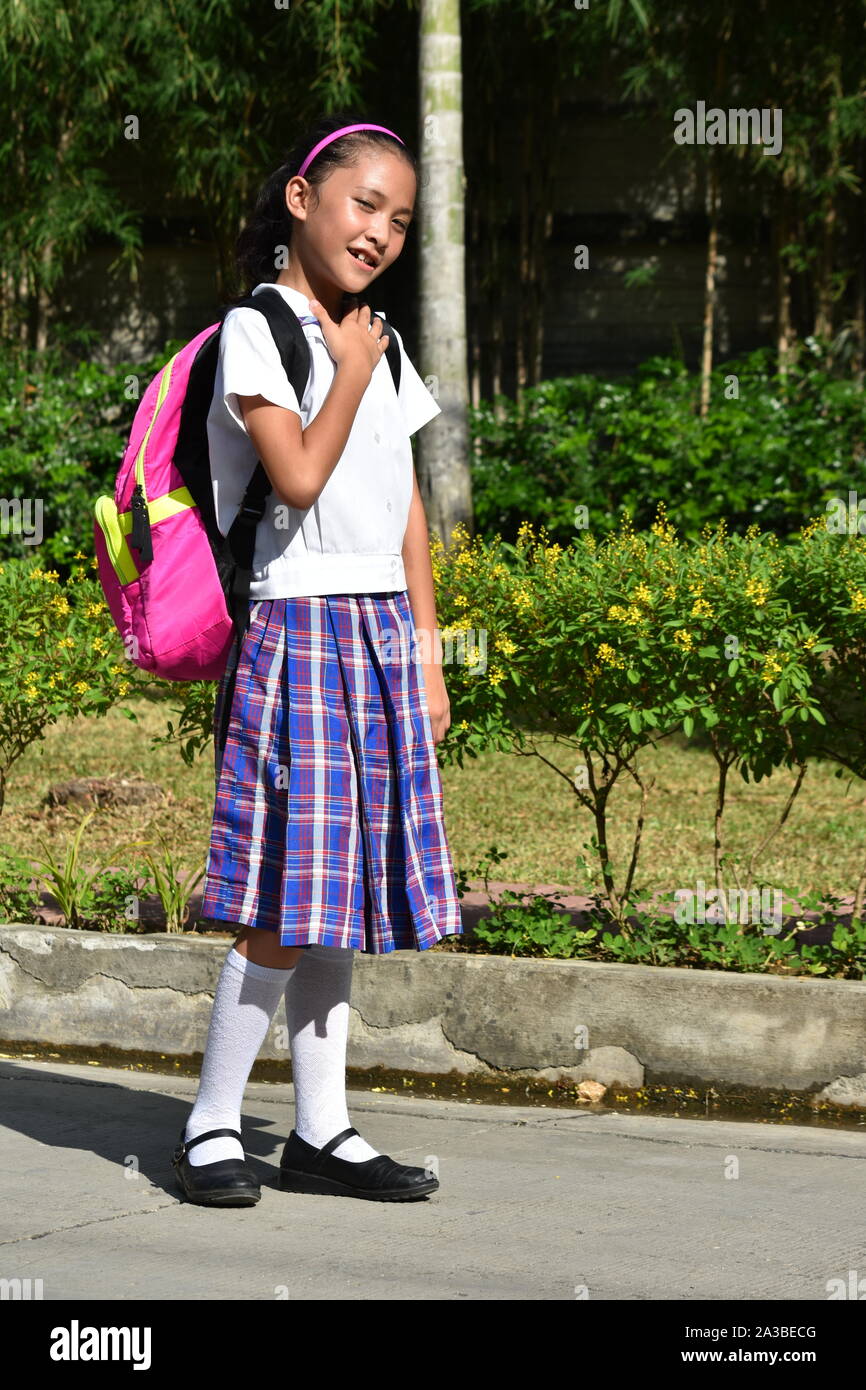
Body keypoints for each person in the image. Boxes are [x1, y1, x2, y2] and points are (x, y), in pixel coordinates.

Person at [170, 111, 464, 1207]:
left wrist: (428, 657)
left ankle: (322, 1129)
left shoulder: (377, 341)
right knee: (288, 894)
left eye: (399, 217)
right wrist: (345, 365)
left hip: (380, 634)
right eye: (362, 204)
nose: (379, 230)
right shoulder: (261, 329)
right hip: (296, 630)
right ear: (302, 199)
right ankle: (209, 1123)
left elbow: (404, 510)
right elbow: (294, 477)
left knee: (342, 891)